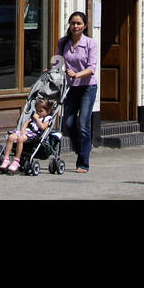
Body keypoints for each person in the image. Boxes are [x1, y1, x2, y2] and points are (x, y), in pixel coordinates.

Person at [54, 11, 98, 173]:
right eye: (73, 23)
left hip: (87, 87)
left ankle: (83, 163)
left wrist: (77, 74)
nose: (75, 26)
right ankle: (82, 149)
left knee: (83, 124)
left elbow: (91, 68)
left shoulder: (90, 43)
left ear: (84, 26)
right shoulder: (63, 42)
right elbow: (57, 62)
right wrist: (51, 70)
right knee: (68, 123)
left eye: (79, 23)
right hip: (71, 88)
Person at [0, 97, 53, 174]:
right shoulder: (33, 116)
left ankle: (16, 161)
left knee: (20, 139)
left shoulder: (47, 118)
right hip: (26, 132)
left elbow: (43, 127)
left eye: (41, 111)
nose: (38, 113)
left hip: (34, 135)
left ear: (48, 111)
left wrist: (37, 119)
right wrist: (22, 130)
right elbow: (26, 124)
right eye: (37, 111)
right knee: (10, 137)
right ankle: (6, 159)